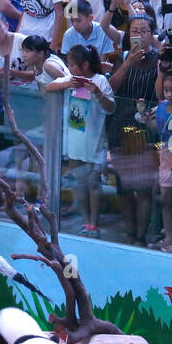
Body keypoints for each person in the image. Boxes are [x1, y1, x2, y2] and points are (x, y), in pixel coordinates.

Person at [63, 44, 115, 237]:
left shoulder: (100, 80)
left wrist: (98, 93)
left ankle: (94, 223)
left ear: (85, 65)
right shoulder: (71, 80)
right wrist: (67, 83)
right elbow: (50, 87)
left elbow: (110, 108)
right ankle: (85, 222)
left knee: (94, 183)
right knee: (79, 184)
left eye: (72, 65)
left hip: (95, 141)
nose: (69, 69)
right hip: (75, 141)